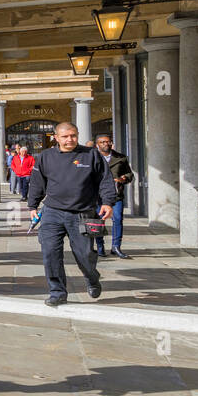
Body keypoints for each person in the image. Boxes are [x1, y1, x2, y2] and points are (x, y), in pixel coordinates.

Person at [27, 122, 115, 306]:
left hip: (83, 213)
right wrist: (32, 205)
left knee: (84, 254)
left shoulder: (90, 154)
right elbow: (37, 182)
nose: (70, 139)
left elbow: (105, 180)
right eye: (65, 136)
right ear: (56, 137)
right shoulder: (46, 157)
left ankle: (92, 277)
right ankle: (57, 292)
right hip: (52, 212)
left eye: (73, 135)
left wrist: (107, 202)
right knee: (50, 252)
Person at [94, 134, 134, 259]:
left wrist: (123, 178)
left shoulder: (120, 157)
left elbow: (129, 173)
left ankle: (116, 247)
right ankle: (100, 247)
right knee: (98, 221)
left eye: (108, 142)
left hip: (116, 194)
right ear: (97, 144)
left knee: (117, 219)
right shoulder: (91, 157)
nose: (106, 144)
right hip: (97, 195)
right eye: (102, 142)